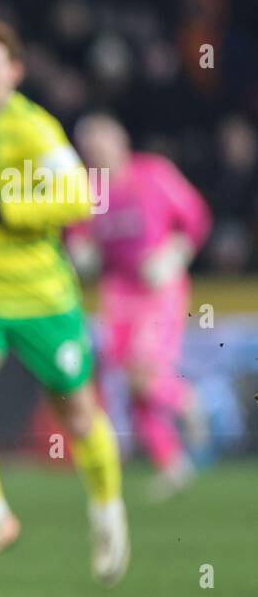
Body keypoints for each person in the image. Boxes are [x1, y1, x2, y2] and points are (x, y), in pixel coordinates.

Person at [0, 13, 129, 585]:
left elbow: (82, 198)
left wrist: (6, 210)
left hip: (42, 295)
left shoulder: (36, 129)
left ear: (13, 70)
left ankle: (107, 508)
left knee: (78, 415)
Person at [70, 114, 211, 500]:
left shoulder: (154, 174)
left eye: (103, 143)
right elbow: (79, 238)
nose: (98, 153)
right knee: (130, 384)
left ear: (122, 141)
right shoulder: (88, 189)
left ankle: (186, 401)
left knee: (143, 371)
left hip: (158, 288)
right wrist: (81, 253)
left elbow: (196, 218)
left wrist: (175, 253)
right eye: (90, 148)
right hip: (118, 288)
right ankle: (172, 464)